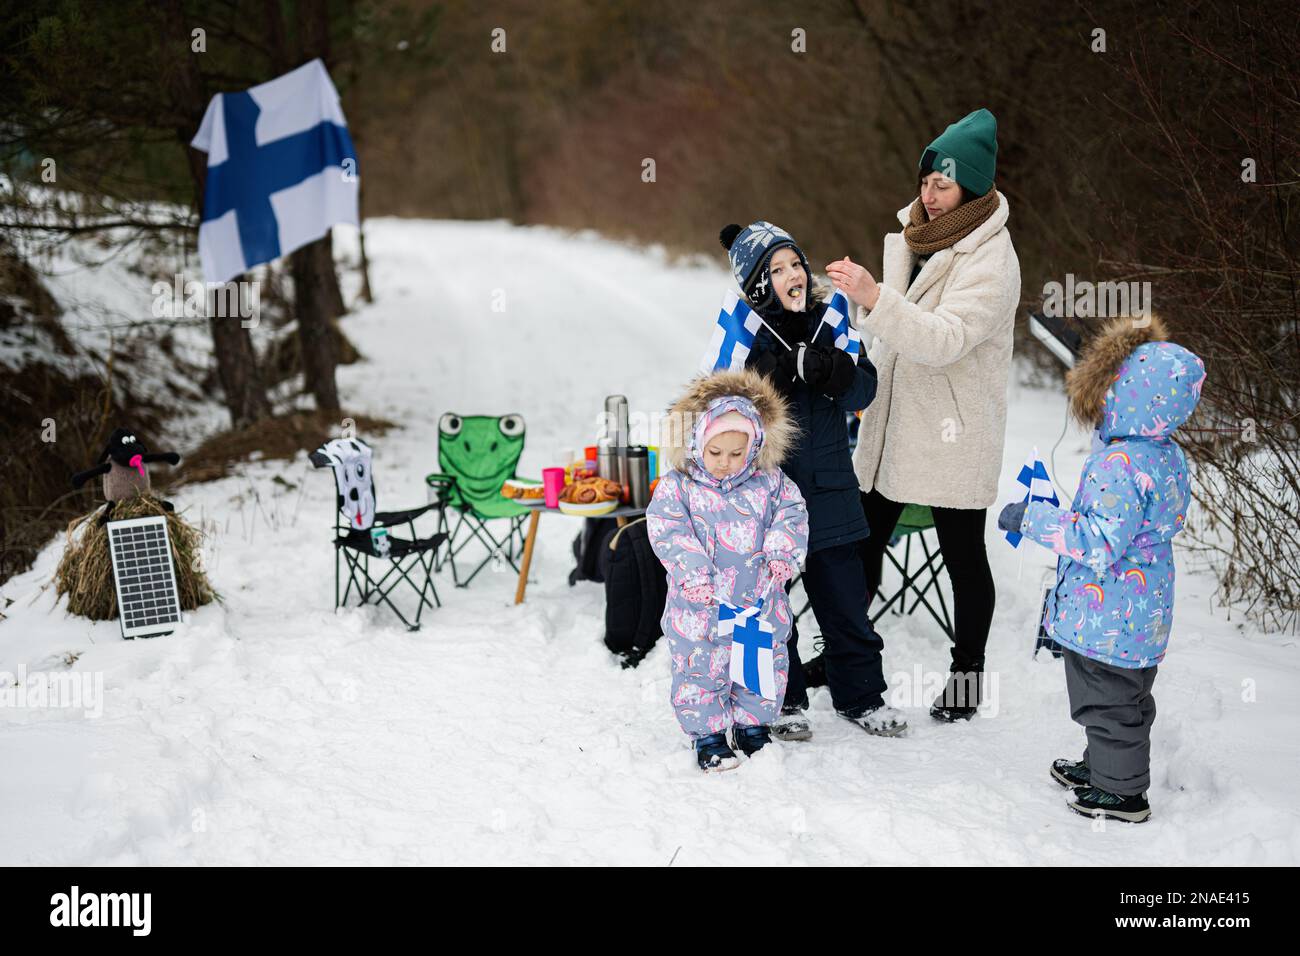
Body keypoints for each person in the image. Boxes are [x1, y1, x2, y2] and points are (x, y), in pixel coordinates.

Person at [826, 108, 1021, 721]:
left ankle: (967, 682)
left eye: (943, 185)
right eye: (925, 182)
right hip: (892, 423)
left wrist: (875, 299)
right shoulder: (912, 238)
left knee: (964, 557)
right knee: (860, 547)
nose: (929, 196)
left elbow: (941, 339)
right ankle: (844, 661)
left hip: (954, 430)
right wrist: (858, 318)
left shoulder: (992, 261)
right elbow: (892, 333)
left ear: (974, 187)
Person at [998, 314, 1206, 823]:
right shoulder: (1162, 454)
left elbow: (1098, 540)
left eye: (1111, 388)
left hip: (1108, 614)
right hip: (1141, 612)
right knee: (1126, 699)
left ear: (1128, 397)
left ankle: (1122, 793)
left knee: (1106, 702)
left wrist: (1037, 520)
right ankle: (1106, 767)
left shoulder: (1122, 464)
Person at [723, 220, 907, 740]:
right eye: (776, 269)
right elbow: (720, 408)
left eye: (795, 263)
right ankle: (782, 699)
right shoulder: (747, 336)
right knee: (768, 607)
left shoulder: (832, 322)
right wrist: (768, 373)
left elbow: (865, 391)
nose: (792, 274)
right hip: (766, 500)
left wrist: (832, 371)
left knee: (847, 605)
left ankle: (861, 697)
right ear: (760, 285)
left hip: (829, 492)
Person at [646, 367, 810, 772]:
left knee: (756, 669)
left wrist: (780, 552)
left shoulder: (771, 483)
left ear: (754, 447)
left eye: (737, 454)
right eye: (715, 453)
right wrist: (694, 571)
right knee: (701, 669)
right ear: (697, 443)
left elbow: (792, 515)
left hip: (757, 602)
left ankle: (752, 727)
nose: (725, 463)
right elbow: (668, 529)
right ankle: (708, 736)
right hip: (699, 609)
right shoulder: (678, 486)